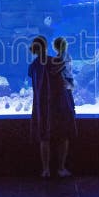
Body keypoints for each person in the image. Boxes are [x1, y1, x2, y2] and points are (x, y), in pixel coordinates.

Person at [28, 36, 76, 178]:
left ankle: (46, 170)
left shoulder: (33, 66)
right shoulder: (53, 61)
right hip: (58, 102)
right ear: (46, 46)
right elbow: (64, 65)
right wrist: (62, 48)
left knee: (44, 136)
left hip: (41, 104)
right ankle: (61, 168)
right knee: (63, 135)